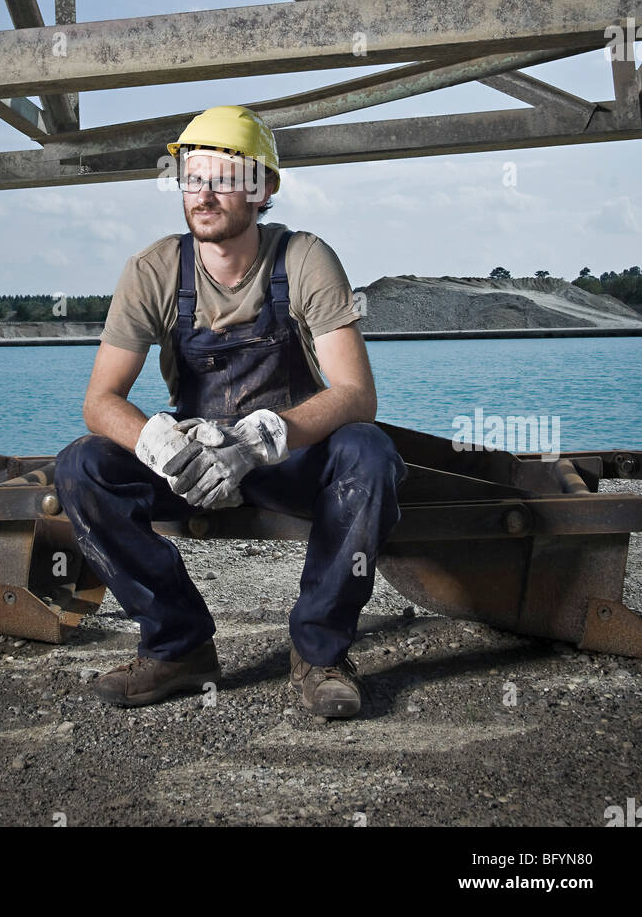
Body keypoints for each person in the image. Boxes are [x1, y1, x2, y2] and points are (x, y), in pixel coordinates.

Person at [54, 105, 407, 718]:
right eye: (193, 177)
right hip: (192, 466)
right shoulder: (154, 270)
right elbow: (99, 402)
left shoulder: (303, 259)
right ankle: (177, 645)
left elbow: (356, 394)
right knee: (83, 466)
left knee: (368, 452)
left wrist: (262, 439)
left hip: (283, 461)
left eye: (225, 178)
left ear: (265, 187)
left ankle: (320, 654)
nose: (205, 194)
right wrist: (159, 444)